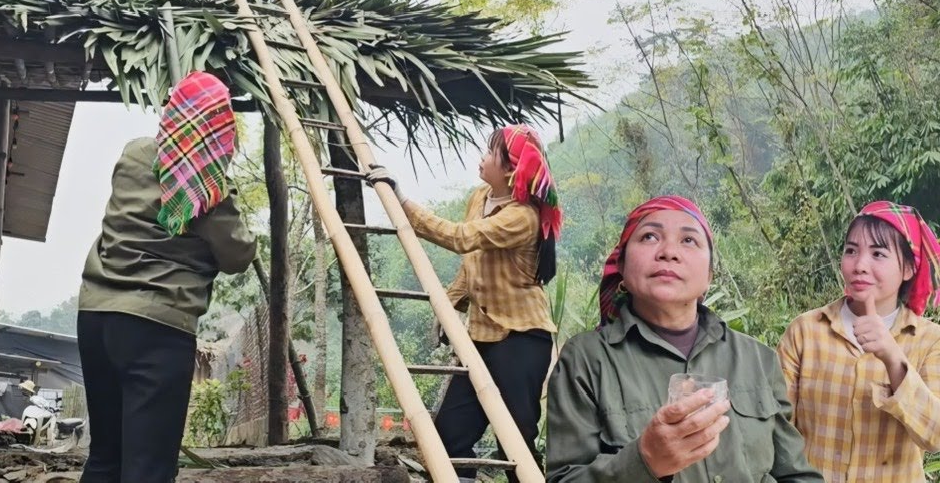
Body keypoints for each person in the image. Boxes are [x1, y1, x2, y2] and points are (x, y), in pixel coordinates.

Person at [545, 196, 822, 483]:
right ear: (622, 267)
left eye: (689, 240)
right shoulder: (585, 360)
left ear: (709, 276)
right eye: (650, 236)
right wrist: (645, 461)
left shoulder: (758, 359)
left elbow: (797, 475)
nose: (668, 252)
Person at [77, 71, 255, 483]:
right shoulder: (208, 192)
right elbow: (237, 255)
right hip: (157, 330)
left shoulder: (134, 154)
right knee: (148, 470)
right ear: (219, 129)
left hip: (97, 317)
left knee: (105, 457)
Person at [366, 125, 561, 483]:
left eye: (491, 154)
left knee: (515, 442)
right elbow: (473, 263)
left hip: (521, 338)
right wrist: (450, 304)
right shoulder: (480, 197)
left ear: (510, 170)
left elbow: (461, 239)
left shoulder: (523, 217)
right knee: (451, 435)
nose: (482, 159)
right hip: (481, 335)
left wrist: (401, 200)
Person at [778, 201, 940, 482]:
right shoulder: (805, 331)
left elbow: (935, 436)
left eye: (878, 253)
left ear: (908, 269)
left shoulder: (929, 340)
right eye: (851, 250)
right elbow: (778, 426)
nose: (860, 265)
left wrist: (892, 357)